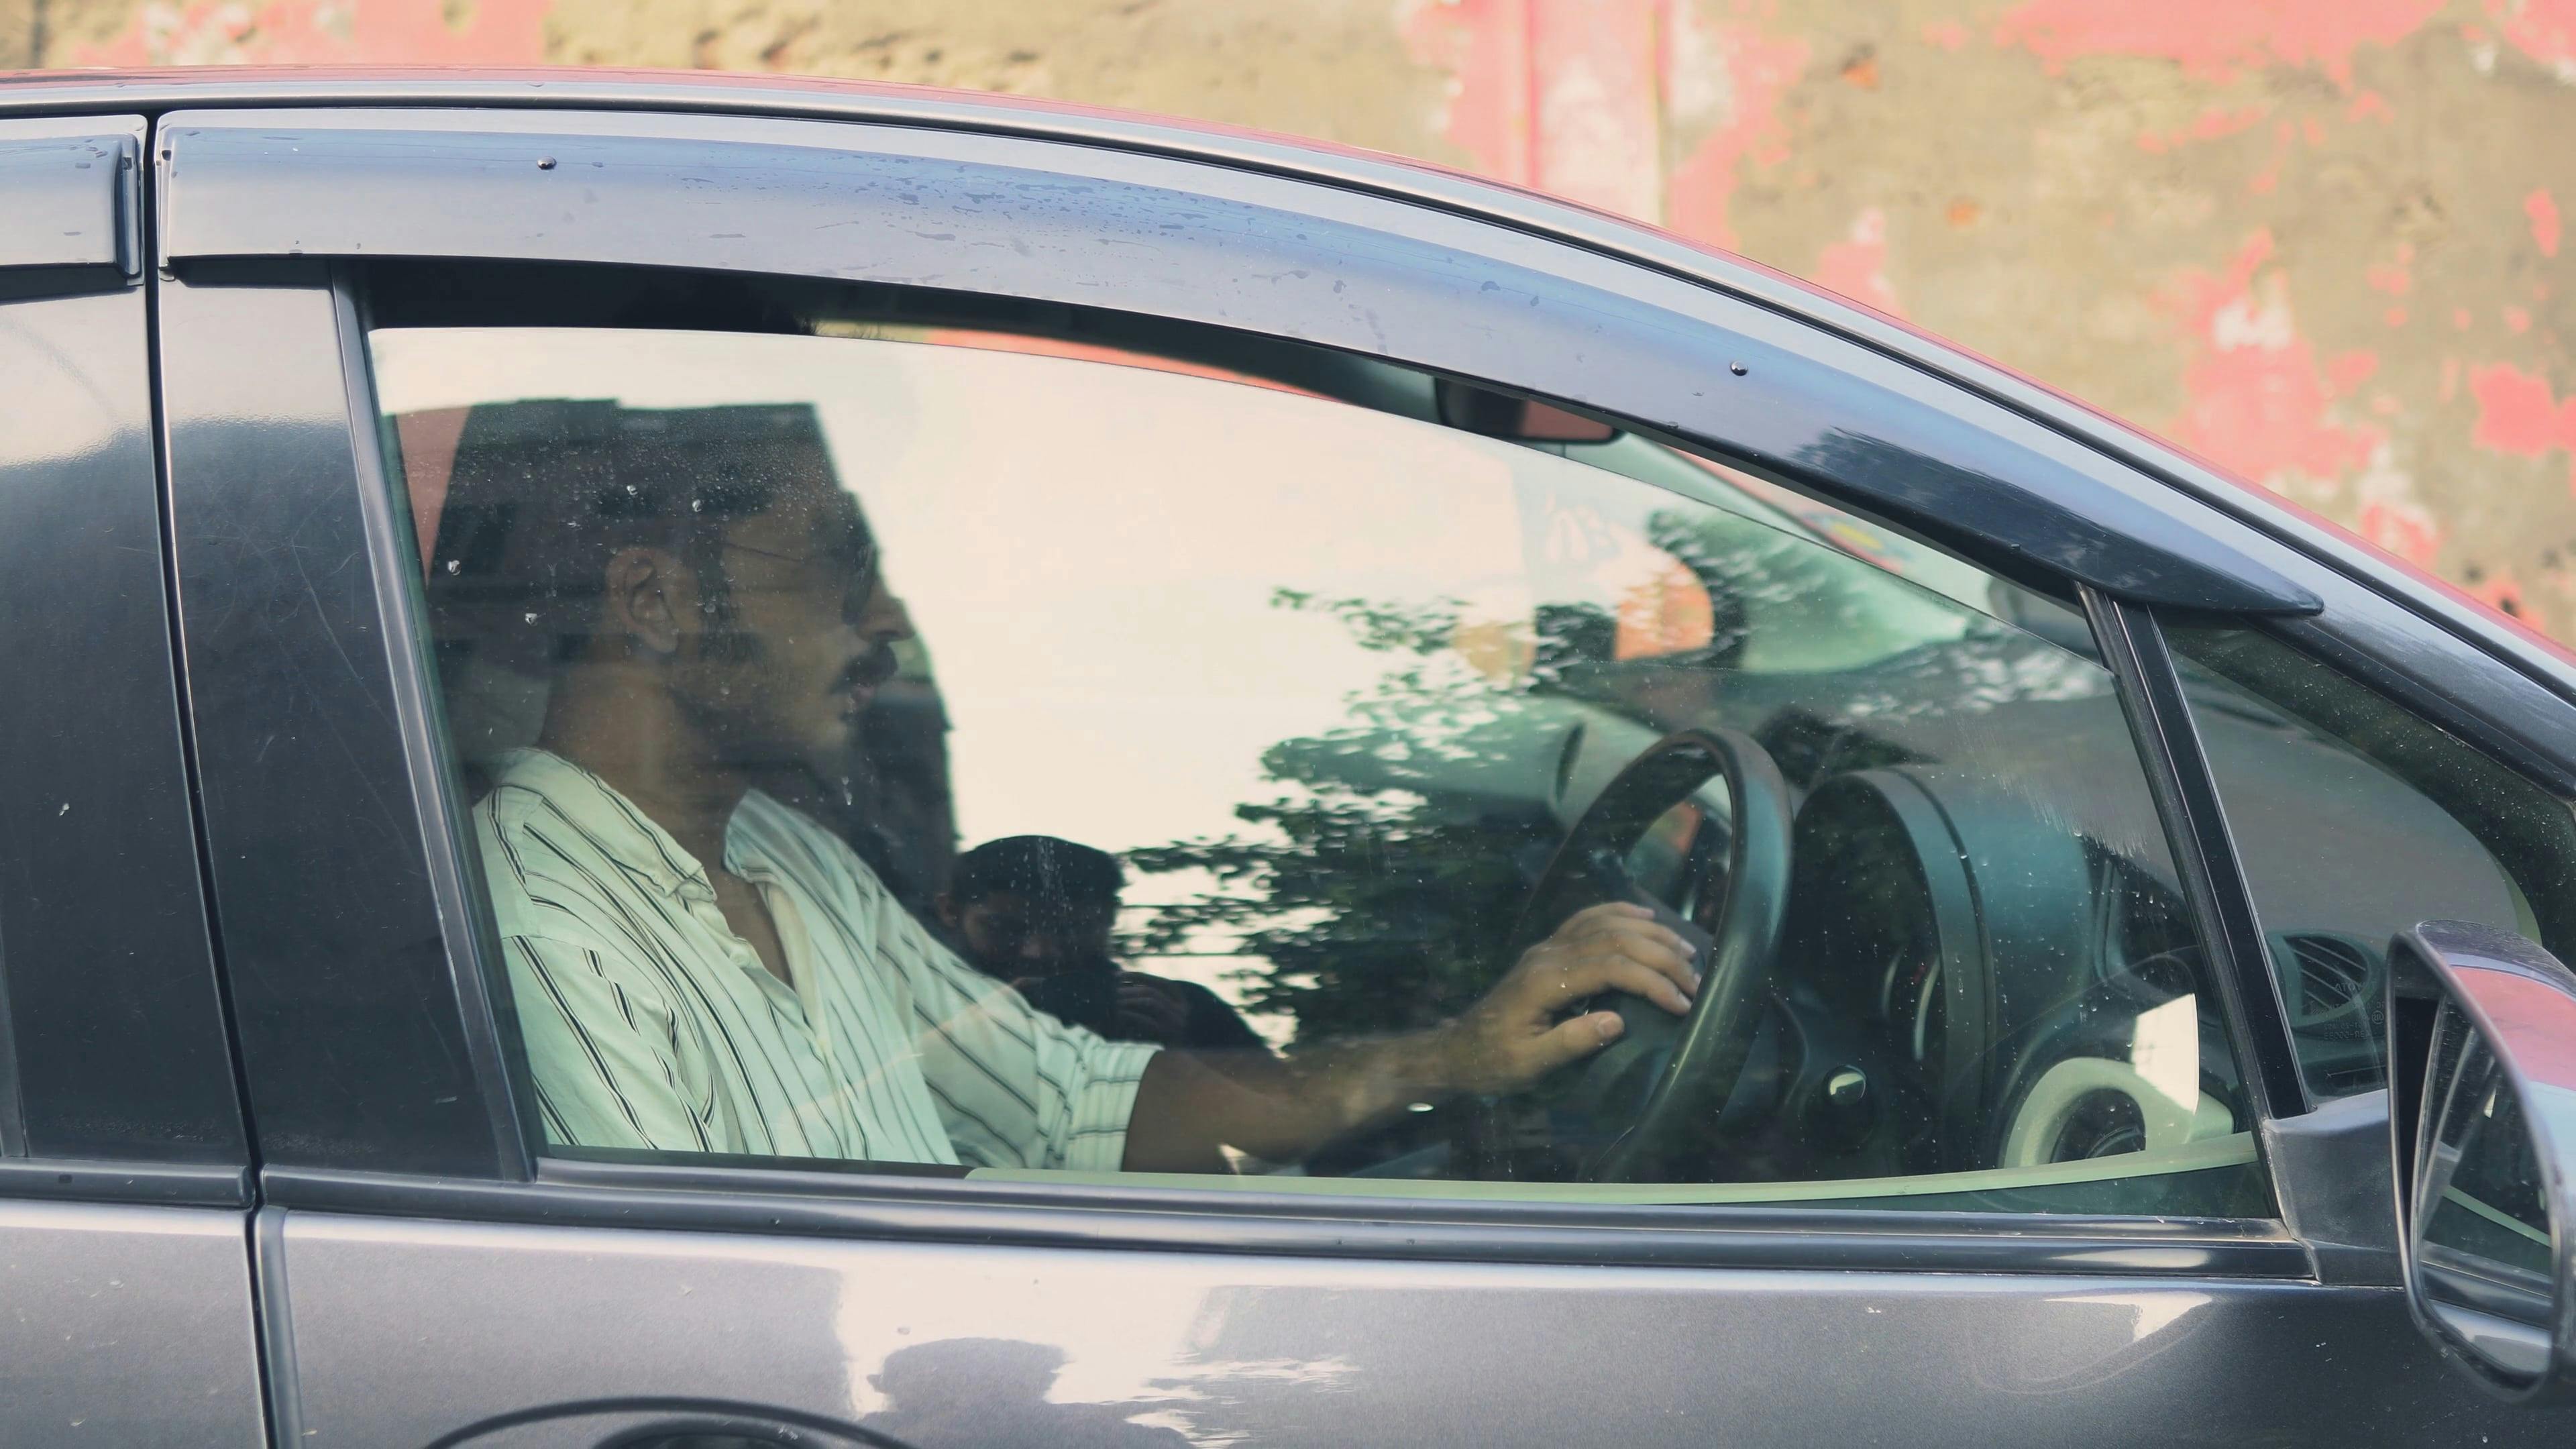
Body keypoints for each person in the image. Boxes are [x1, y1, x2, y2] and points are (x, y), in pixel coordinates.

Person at [429, 396, 1700, 1176]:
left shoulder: (788, 860)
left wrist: (1456, 1053)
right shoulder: (549, 939)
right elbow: (691, 1354)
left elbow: (1065, 1108)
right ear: (651, 600)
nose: (887, 616)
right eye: (839, 566)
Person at [936, 835, 1269, 1053]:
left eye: (1072, 930)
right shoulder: (910, 1006)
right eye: (1006, 929)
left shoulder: (1177, 1007)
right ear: (951, 912)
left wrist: (1174, 1050)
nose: (1041, 952)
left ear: (1111, 918)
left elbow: (1284, 1140)